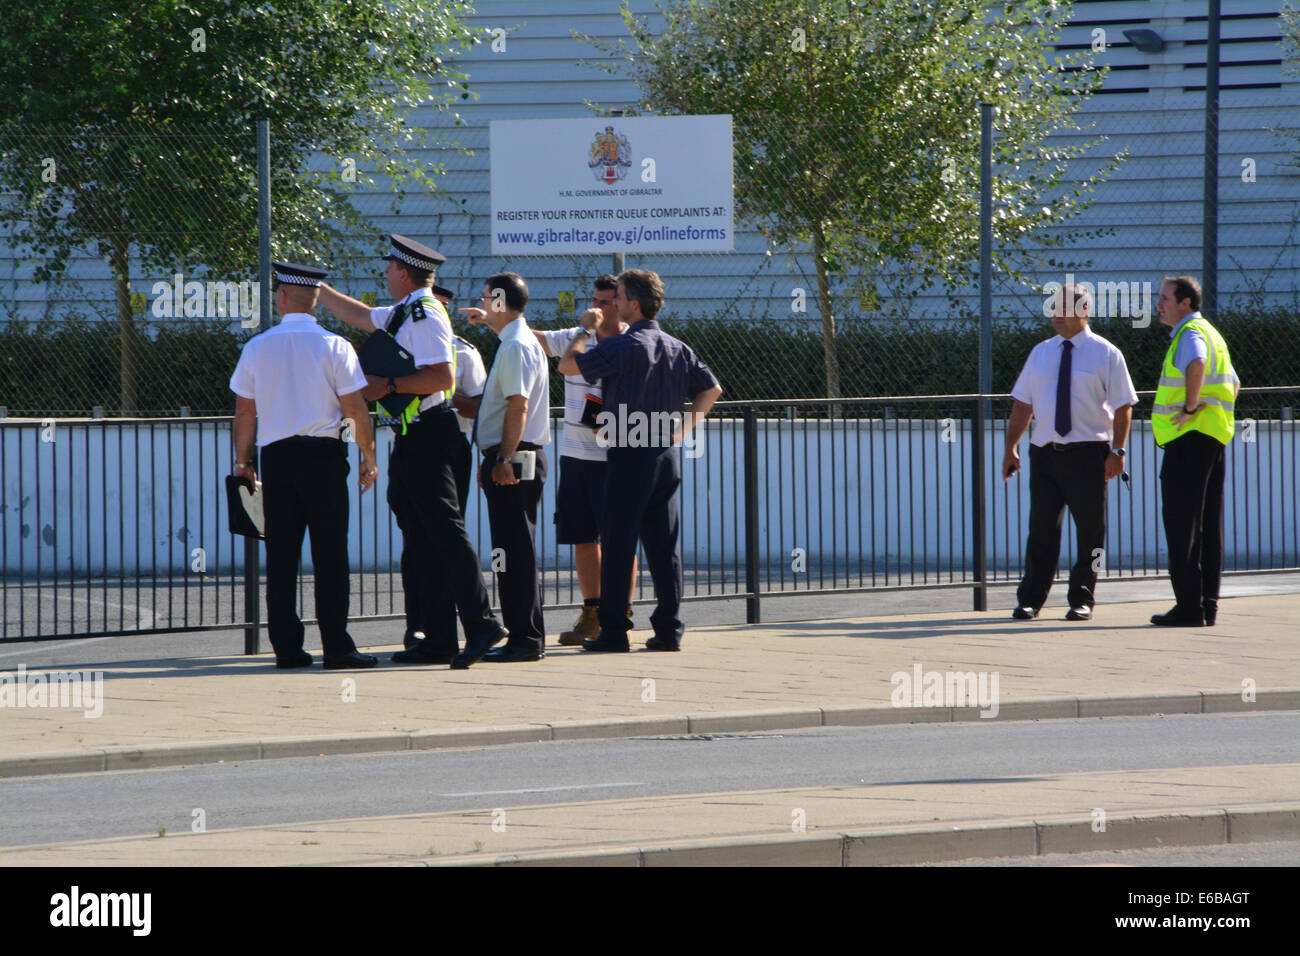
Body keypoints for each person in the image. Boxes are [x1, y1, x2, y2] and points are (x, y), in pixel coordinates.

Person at [316, 235, 506, 667]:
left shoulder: (422, 313)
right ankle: (439, 636)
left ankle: (481, 624)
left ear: (404, 273)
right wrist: (320, 291)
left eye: (388, 269)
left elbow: (440, 376)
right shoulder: (405, 310)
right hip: (414, 435)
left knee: (445, 533)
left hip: (431, 435)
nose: (384, 274)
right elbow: (362, 316)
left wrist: (390, 386)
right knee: (422, 538)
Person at [558, 269, 722, 652]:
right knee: (664, 546)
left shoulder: (623, 346)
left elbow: (568, 366)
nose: (612, 302)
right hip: (665, 453)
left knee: (618, 542)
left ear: (632, 303)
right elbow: (711, 389)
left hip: (629, 453)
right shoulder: (676, 346)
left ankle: (614, 632)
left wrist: (584, 331)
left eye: (617, 296)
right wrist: (681, 432)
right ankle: (668, 630)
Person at [229, 261, 379, 669]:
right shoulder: (336, 346)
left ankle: (288, 649)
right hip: (324, 458)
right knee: (330, 554)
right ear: (316, 301)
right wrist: (368, 455)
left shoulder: (258, 347)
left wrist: (244, 462)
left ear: (280, 297)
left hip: (277, 458)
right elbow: (355, 408)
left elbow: (245, 412)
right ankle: (337, 646)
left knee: (281, 556)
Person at [1002, 282, 1138, 621]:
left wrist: (1118, 451)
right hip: (1045, 453)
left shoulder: (1106, 353)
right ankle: (1031, 598)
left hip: (1089, 453)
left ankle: (1083, 598)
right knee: (1041, 529)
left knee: (1091, 531)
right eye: (1053, 309)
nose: (1057, 316)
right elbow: (1022, 404)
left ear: (1084, 311)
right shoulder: (1041, 352)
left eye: (1064, 309)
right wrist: (1011, 448)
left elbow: (1124, 407)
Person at [533, 274, 637, 646]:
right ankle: (592, 612)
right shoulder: (578, 334)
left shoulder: (630, 341)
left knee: (619, 537)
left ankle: (620, 612)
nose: (597, 308)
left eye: (606, 302)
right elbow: (536, 339)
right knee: (581, 535)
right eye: (594, 300)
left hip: (616, 455)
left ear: (622, 303)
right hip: (575, 454)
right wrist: (495, 316)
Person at [460, 272, 551, 663]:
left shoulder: (514, 346)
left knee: (511, 552)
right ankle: (524, 636)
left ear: (500, 301)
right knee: (513, 550)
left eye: (486, 299)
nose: (481, 304)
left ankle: (524, 640)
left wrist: (501, 460)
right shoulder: (517, 339)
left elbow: (519, 406)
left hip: (512, 457)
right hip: (515, 456)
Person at [396, 283, 487, 651]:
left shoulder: (464, 352)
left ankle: (450, 628)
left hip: (446, 450)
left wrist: (443, 396)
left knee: (444, 539)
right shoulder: (406, 346)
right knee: (414, 544)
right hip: (410, 444)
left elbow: (480, 405)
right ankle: (420, 626)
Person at [1150, 275, 1240, 627]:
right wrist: (1210, 409)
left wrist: (1189, 408)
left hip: (1188, 440)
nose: (1159, 304)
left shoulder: (1190, 335)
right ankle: (1207, 606)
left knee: (1182, 523)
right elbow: (1234, 383)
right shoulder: (1212, 333)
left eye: (1165, 298)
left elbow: (1197, 364)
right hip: (1213, 438)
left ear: (1185, 303)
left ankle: (1188, 607)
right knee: (1208, 525)